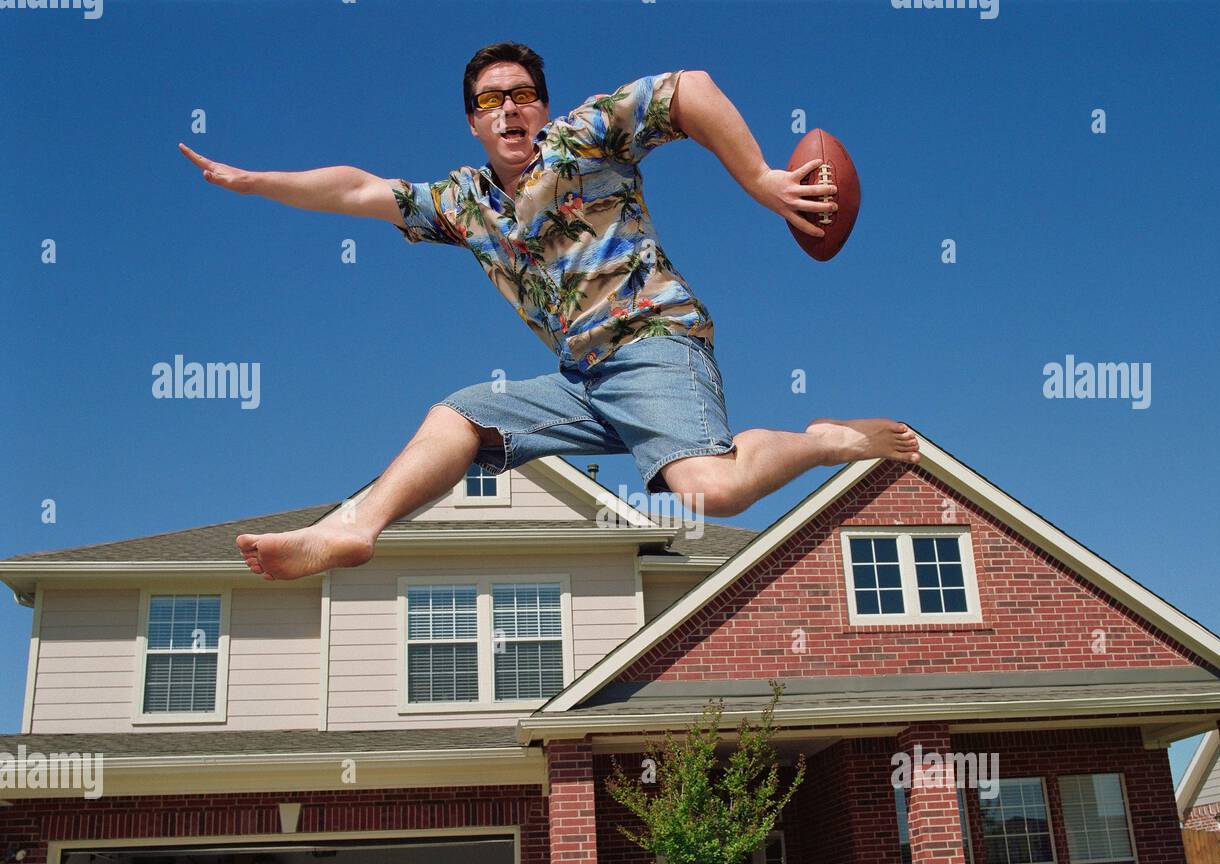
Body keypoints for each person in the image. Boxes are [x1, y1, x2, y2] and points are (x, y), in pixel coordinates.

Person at [179, 41, 920, 581]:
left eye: (522, 94)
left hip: (654, 342)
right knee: (460, 415)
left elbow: (688, 88)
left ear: (542, 104)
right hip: (581, 380)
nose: (509, 109)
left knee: (712, 492)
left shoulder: (581, 137)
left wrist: (760, 177)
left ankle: (823, 441)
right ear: (472, 121)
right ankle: (352, 528)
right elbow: (356, 190)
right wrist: (253, 182)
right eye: (490, 100)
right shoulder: (462, 204)